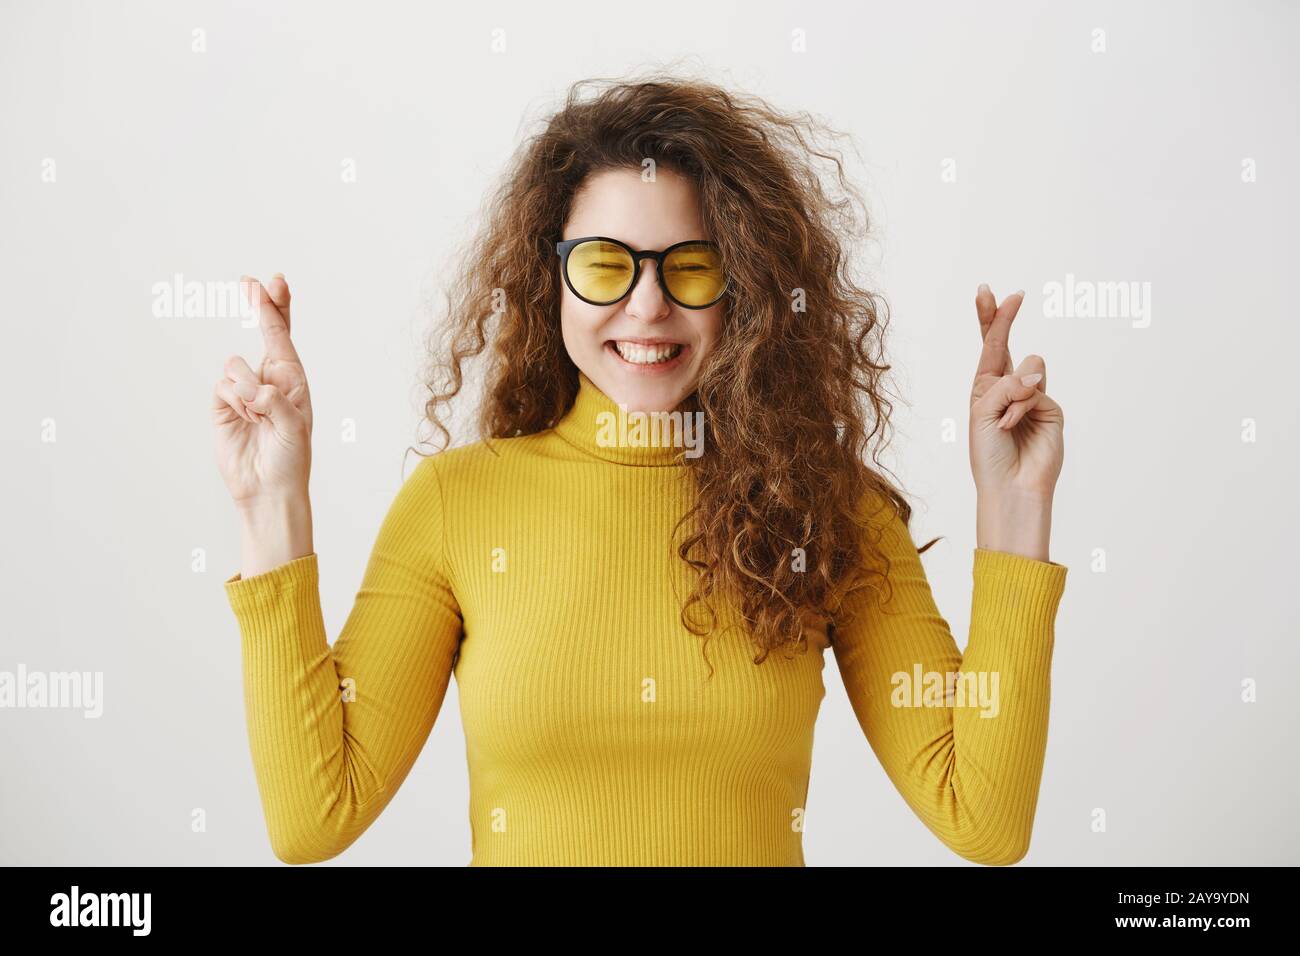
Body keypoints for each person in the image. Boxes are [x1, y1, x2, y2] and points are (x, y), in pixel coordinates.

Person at [210, 75, 1067, 866]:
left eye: (690, 266)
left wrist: (1015, 503)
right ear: (552, 279)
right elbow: (314, 815)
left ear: (748, 285)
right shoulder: (456, 503)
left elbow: (982, 818)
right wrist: (271, 500)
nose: (648, 305)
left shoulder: (823, 510)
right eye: (605, 264)